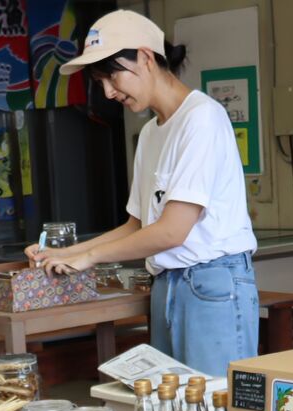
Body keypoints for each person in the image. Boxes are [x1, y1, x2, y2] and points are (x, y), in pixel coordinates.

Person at [31, 10, 259, 378]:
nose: (108, 92)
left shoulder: (202, 118)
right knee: (173, 407)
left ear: (146, 57)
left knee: (214, 407)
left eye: (113, 76)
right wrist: (64, 254)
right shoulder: (152, 133)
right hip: (168, 284)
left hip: (211, 283)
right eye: (100, 82)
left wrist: (89, 257)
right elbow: (137, 225)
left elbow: (171, 231)